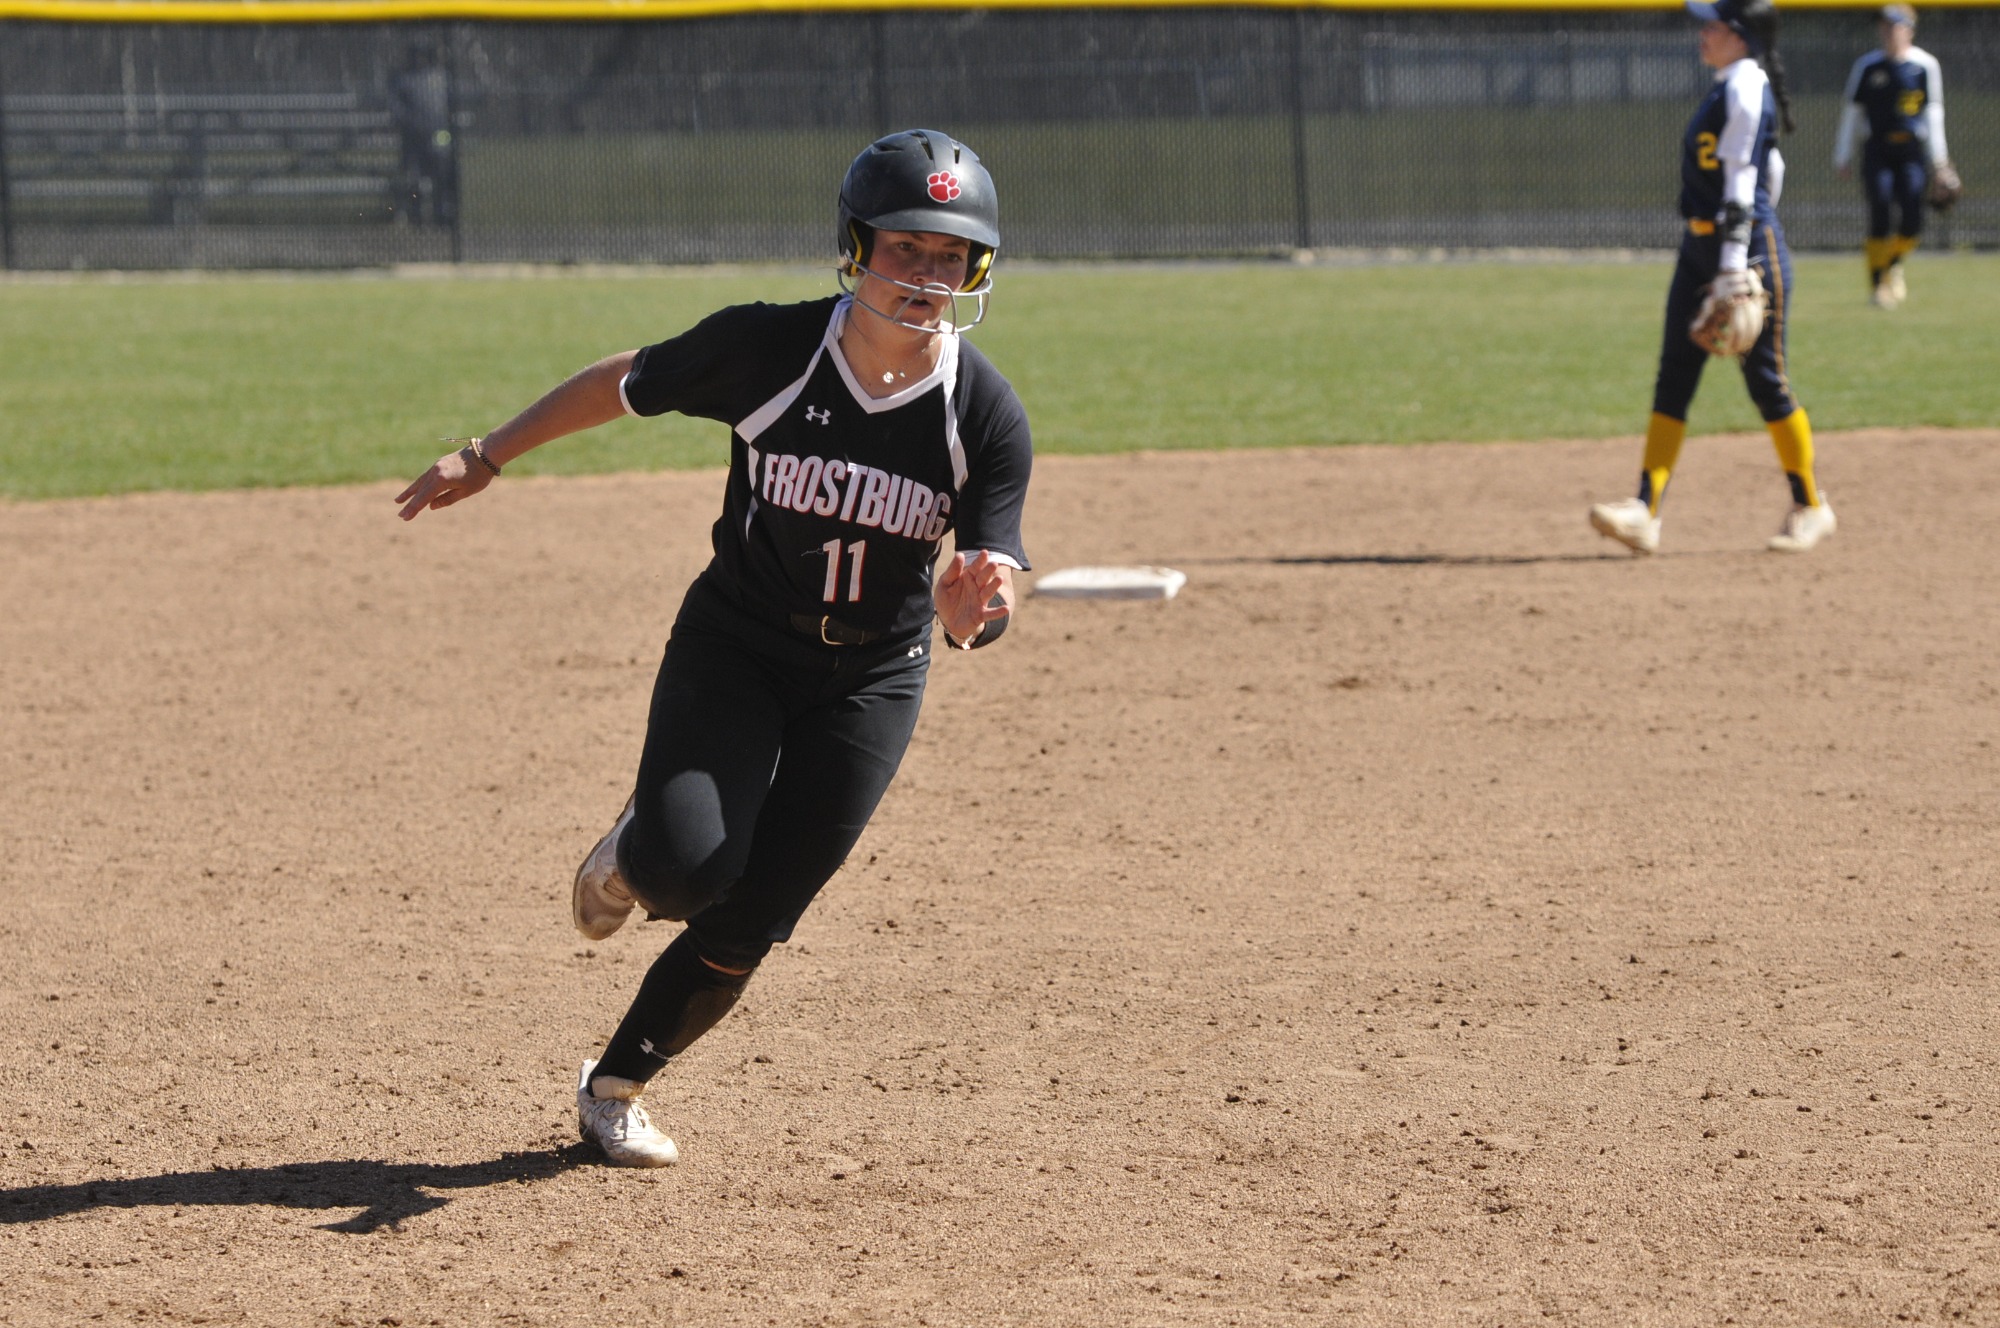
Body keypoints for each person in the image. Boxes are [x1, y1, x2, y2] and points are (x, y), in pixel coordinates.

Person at [393, 129, 1031, 1166]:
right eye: (904, 248)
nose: (925, 275)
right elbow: (625, 383)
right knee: (686, 871)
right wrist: (488, 454)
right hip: (735, 641)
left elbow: (985, 591)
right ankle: (635, 843)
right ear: (855, 246)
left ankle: (614, 1087)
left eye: (949, 255)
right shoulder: (773, 350)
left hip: (871, 676)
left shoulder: (982, 412)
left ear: (977, 271)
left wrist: (975, 607)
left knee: (757, 911)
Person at [1589, 0, 1833, 556]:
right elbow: (1773, 169)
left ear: (1741, 35)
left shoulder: (1747, 85)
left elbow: (1747, 180)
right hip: (1701, 246)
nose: (1705, 32)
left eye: (1715, 25)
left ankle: (1812, 506)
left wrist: (1733, 269)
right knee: (1673, 374)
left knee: (1766, 383)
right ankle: (1643, 512)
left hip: (1745, 255)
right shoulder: (1727, 84)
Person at [1833, 5, 1950, 308]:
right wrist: (1843, 154)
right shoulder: (1868, 66)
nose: (1888, 31)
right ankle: (1877, 286)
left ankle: (1892, 263)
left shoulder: (1925, 65)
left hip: (1911, 149)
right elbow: (1853, 112)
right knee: (1880, 209)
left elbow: (1933, 114)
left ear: (1909, 29)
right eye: (1883, 26)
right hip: (1878, 148)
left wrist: (1940, 162)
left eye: (1894, 25)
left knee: (1912, 217)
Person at [387, 39, 459, 228]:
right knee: (414, 179)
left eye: (423, 55)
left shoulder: (439, 77)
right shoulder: (403, 79)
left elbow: (449, 108)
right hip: (414, 139)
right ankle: (416, 216)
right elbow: (396, 110)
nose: (420, 59)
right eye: (416, 55)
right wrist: (413, 126)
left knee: (443, 175)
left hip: (439, 135)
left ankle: (443, 215)